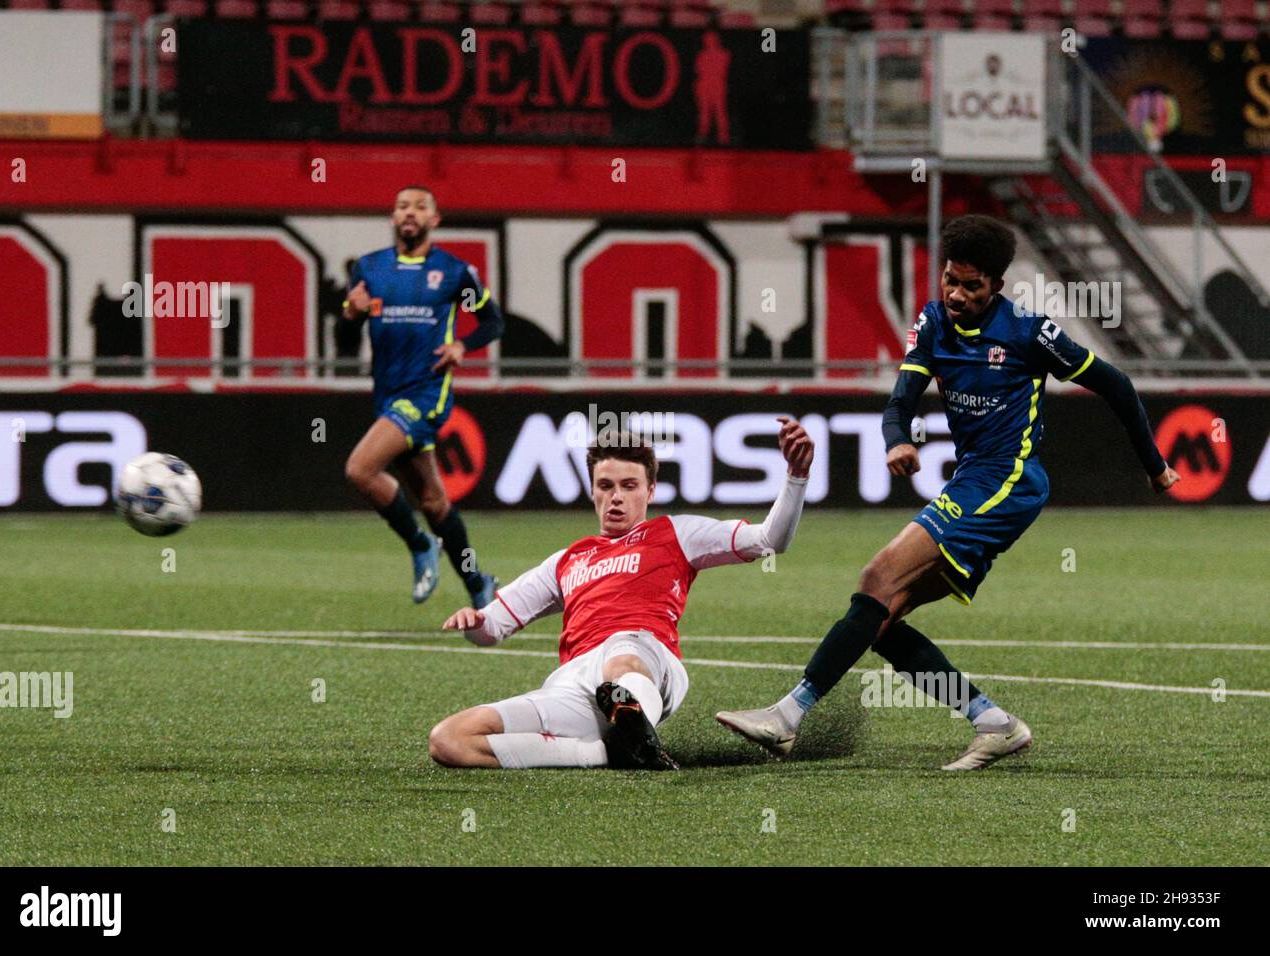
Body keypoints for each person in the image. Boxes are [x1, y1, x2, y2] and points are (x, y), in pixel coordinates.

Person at [717, 214, 1180, 771]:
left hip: (1009, 480)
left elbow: (1116, 383)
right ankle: (994, 723)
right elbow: (900, 402)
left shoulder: (1030, 334)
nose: (956, 294)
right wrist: (896, 442)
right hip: (973, 479)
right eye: (950, 280)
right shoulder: (933, 322)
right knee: (881, 617)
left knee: (875, 577)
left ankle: (787, 717)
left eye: (971, 286)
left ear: (997, 287)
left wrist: (1154, 467)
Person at [429, 418, 814, 770]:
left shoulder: (676, 533)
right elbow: (492, 627)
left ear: (650, 490)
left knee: (621, 658)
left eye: (629, 486)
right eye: (606, 486)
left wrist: (796, 477)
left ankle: (632, 720)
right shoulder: (566, 561)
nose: (616, 497)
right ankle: (605, 750)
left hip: (645, 656)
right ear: (592, 490)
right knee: (450, 740)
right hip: (573, 682)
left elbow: (769, 540)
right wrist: (474, 622)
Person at [342, 186, 505, 605]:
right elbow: (345, 332)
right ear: (393, 218)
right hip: (387, 394)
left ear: (435, 220)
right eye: (402, 207)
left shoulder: (453, 272)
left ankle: (419, 544)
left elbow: (492, 320)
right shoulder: (369, 268)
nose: (409, 213)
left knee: (360, 469)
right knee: (433, 501)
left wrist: (462, 346)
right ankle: (477, 583)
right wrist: (350, 313)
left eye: (420, 207)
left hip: (426, 392)